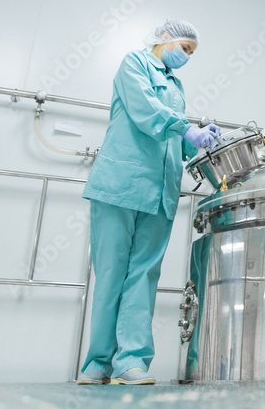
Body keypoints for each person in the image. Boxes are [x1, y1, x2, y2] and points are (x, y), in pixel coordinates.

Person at [77, 19, 221, 385]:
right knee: (111, 273)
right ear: (165, 38)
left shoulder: (177, 86)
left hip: (159, 193)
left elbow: (175, 138)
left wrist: (198, 140)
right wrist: (185, 127)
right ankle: (97, 364)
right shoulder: (134, 63)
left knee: (143, 277)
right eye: (185, 48)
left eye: (191, 53)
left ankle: (131, 363)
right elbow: (145, 111)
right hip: (120, 184)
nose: (186, 56)